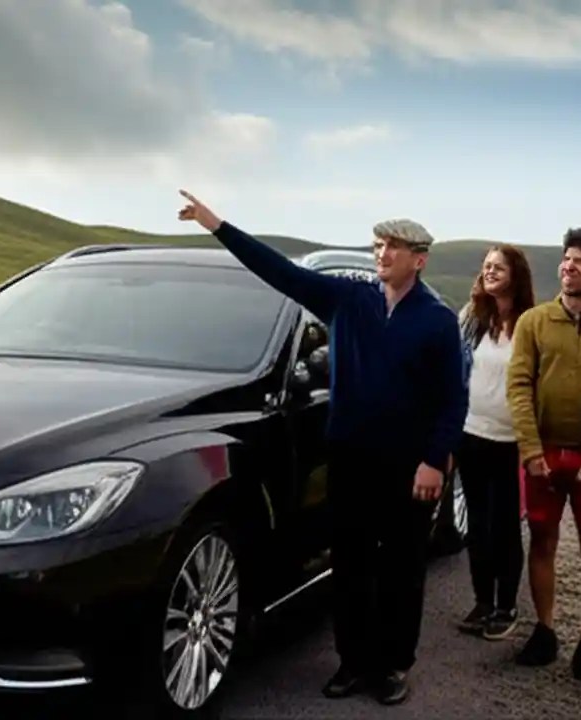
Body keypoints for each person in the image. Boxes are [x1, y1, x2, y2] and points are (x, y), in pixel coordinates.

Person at [177, 190, 467, 706]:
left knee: (401, 571)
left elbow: (452, 399)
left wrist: (433, 461)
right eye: (378, 245)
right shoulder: (347, 300)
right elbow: (281, 274)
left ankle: (395, 665)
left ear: (418, 260)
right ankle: (353, 662)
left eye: (394, 248)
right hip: (351, 461)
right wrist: (217, 225)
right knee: (351, 565)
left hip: (407, 467)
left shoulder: (437, 321)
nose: (382, 254)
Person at [506, 227, 581, 689]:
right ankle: (544, 632)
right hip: (543, 455)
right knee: (542, 541)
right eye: (566, 259)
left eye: (580, 261)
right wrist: (529, 449)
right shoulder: (535, 322)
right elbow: (519, 386)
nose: (569, 266)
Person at [454, 244, 536, 640]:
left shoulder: (531, 324)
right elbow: (454, 370)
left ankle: (507, 606)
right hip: (470, 434)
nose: (489, 272)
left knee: (504, 525)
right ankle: (482, 601)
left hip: (510, 440)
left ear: (515, 275)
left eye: (498, 267)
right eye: (486, 266)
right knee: (478, 523)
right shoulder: (472, 318)